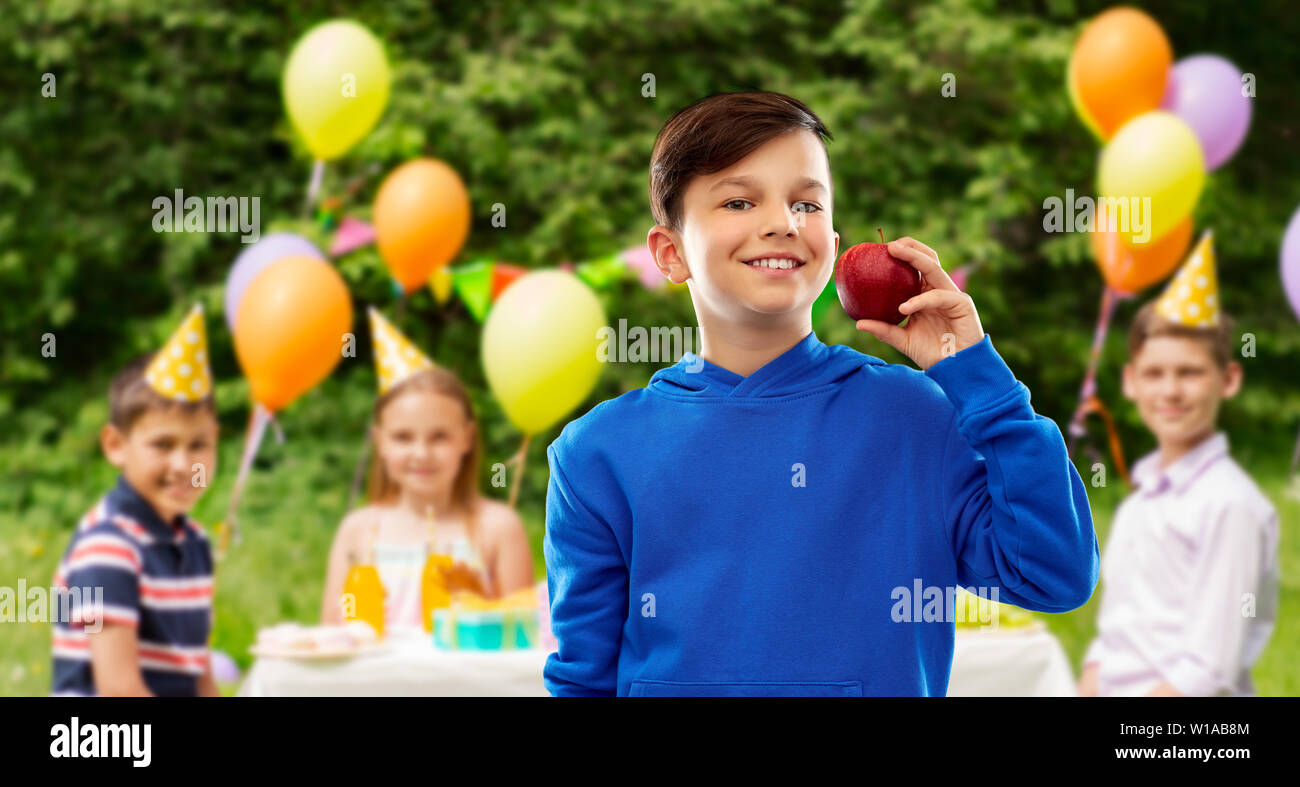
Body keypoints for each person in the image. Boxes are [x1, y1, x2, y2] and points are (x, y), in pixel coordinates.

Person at [542, 91, 1099, 697]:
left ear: (833, 247)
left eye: (806, 203)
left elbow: (1054, 575)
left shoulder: (918, 418)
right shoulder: (597, 451)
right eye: (738, 200)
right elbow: (583, 678)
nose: (783, 222)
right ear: (670, 254)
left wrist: (976, 375)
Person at [1079, 232, 1279, 697]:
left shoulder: (1230, 506)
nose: (1169, 391)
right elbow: (1114, 638)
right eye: (1153, 373)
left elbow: (1206, 671)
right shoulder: (1140, 502)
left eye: (1189, 373)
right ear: (1129, 382)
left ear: (1228, 379)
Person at [322, 309, 534, 634]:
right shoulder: (358, 530)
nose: (421, 453)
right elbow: (332, 635)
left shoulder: (497, 529)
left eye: (439, 437)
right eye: (403, 437)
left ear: (466, 438)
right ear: (380, 442)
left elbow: (522, 637)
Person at [51, 304, 221, 697]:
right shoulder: (106, 548)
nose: (183, 465)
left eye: (199, 445)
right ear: (116, 445)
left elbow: (199, 673)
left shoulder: (194, 541)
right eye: (162, 444)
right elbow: (118, 689)